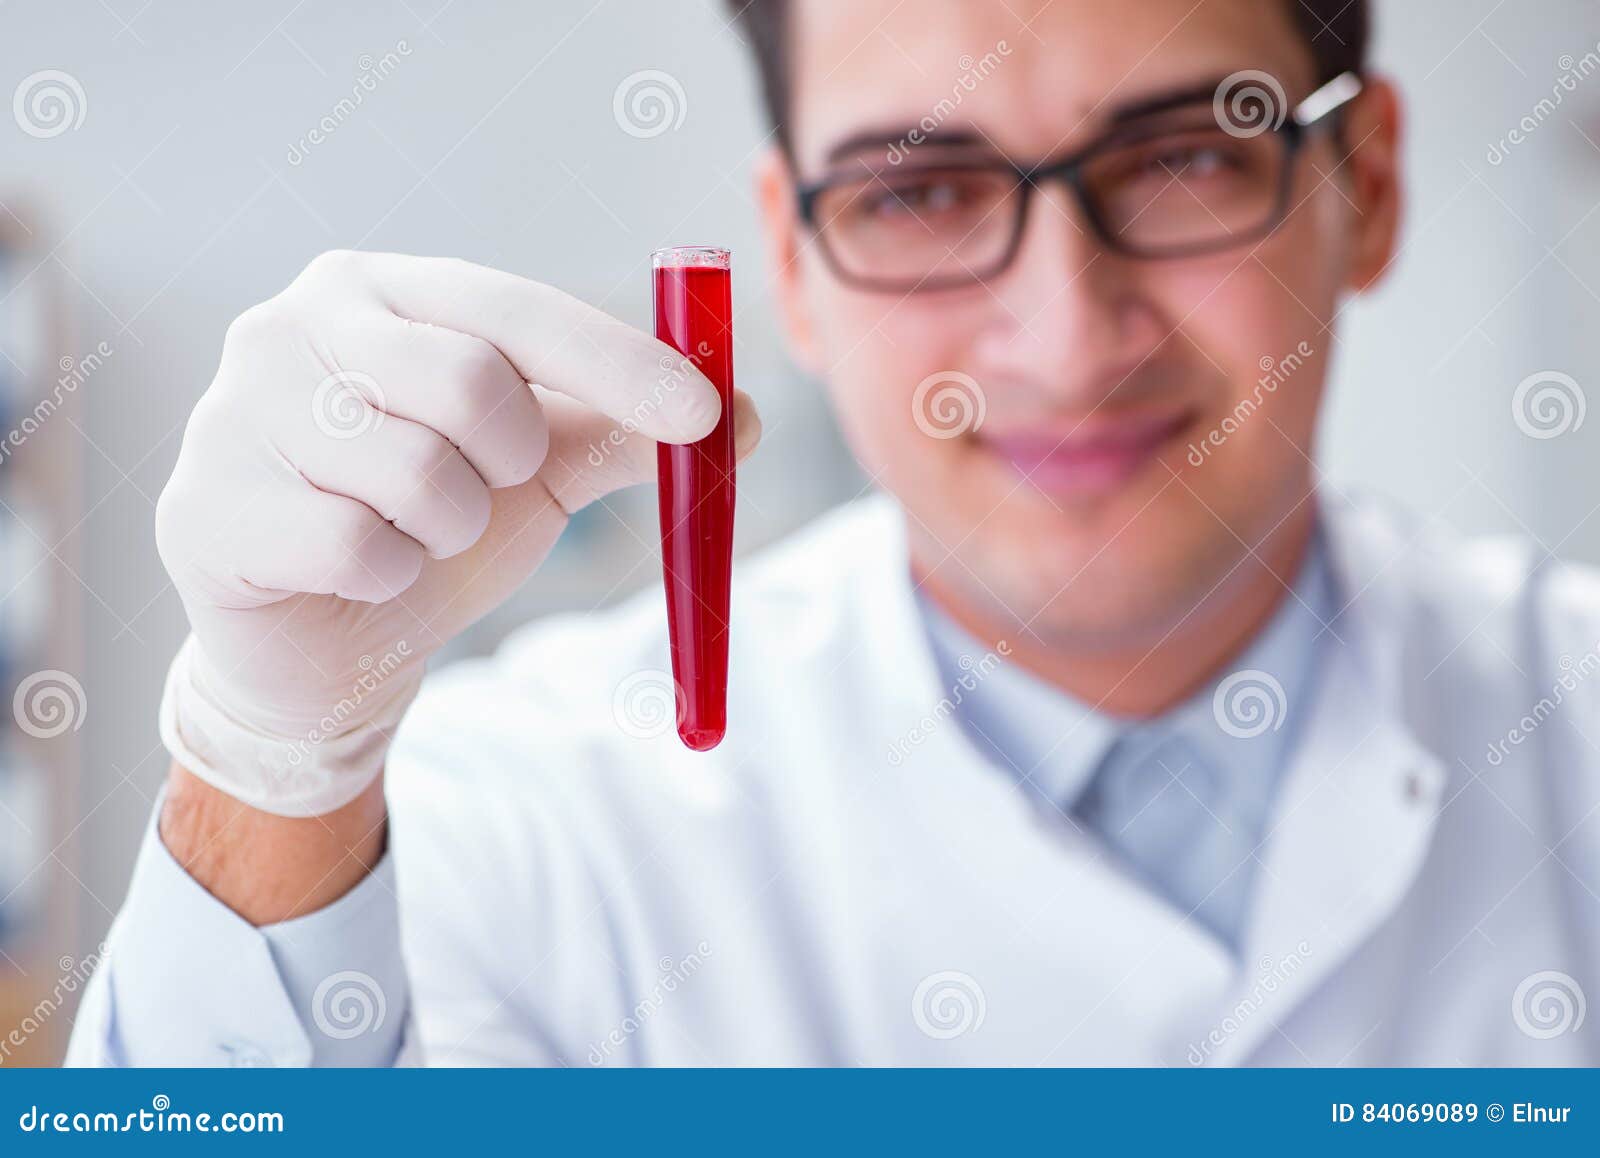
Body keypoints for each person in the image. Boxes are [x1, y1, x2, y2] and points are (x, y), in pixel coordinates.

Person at [70, 0, 1598, 1066]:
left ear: (1370, 181)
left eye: (1186, 152)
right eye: (921, 190)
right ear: (793, 263)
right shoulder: (524, 813)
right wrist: (273, 761)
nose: (1067, 337)